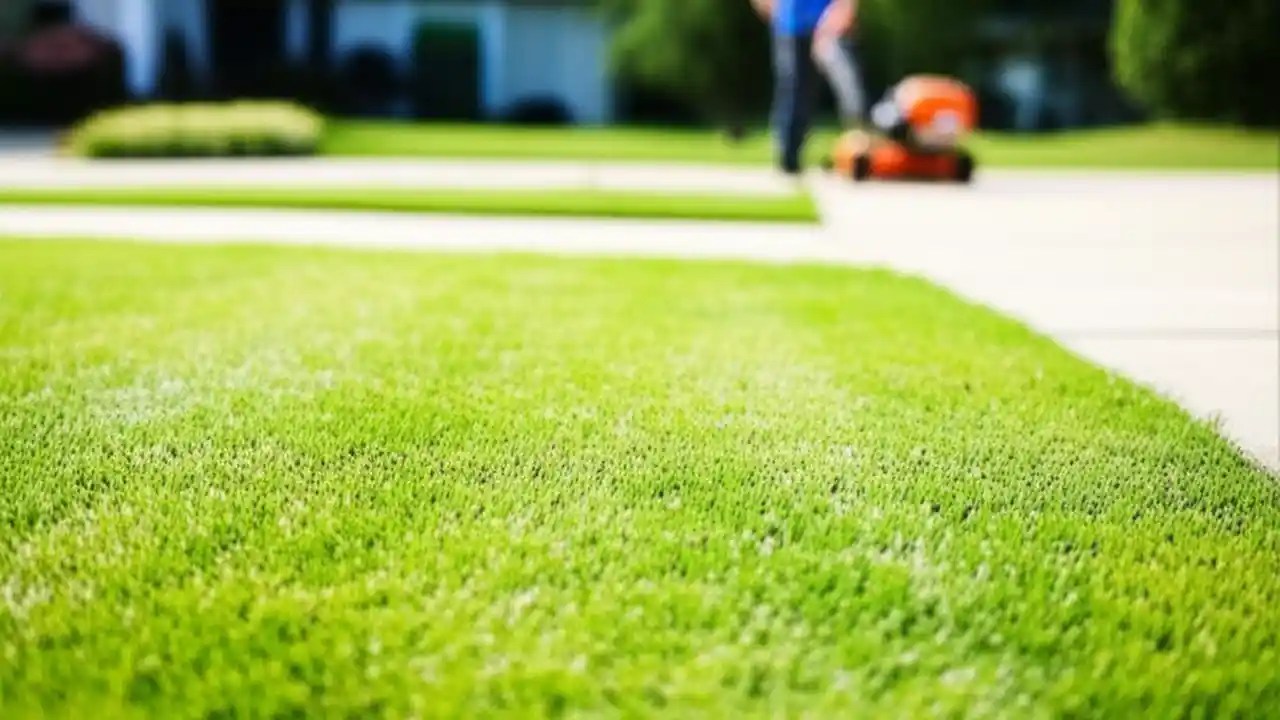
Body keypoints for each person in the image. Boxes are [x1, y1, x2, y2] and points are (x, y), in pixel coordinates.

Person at [752, 0, 865, 175]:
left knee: (847, 87)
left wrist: (837, 17)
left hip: (828, 27)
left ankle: (857, 143)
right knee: (794, 90)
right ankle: (788, 155)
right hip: (791, 26)